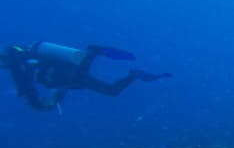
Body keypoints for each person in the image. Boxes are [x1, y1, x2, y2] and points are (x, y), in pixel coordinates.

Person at [1, 42, 171, 111]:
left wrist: (34, 101)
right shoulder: (21, 65)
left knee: (86, 62)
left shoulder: (20, 57)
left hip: (69, 73)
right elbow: (54, 85)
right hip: (73, 79)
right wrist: (54, 99)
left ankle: (94, 51)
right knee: (112, 91)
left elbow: (25, 84)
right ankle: (134, 75)